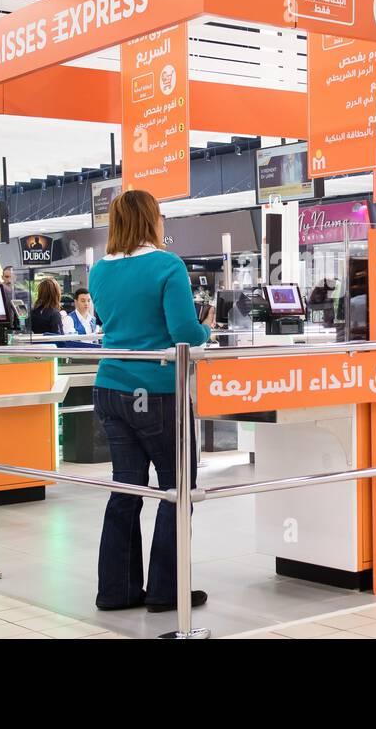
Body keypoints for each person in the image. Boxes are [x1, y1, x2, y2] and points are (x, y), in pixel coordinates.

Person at [89, 190, 214, 613]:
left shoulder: (98, 271)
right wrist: (206, 331)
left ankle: (116, 590)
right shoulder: (167, 265)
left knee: (125, 489)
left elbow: (112, 324)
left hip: (111, 387)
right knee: (177, 489)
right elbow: (183, 331)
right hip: (158, 392)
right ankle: (166, 591)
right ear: (152, 220)